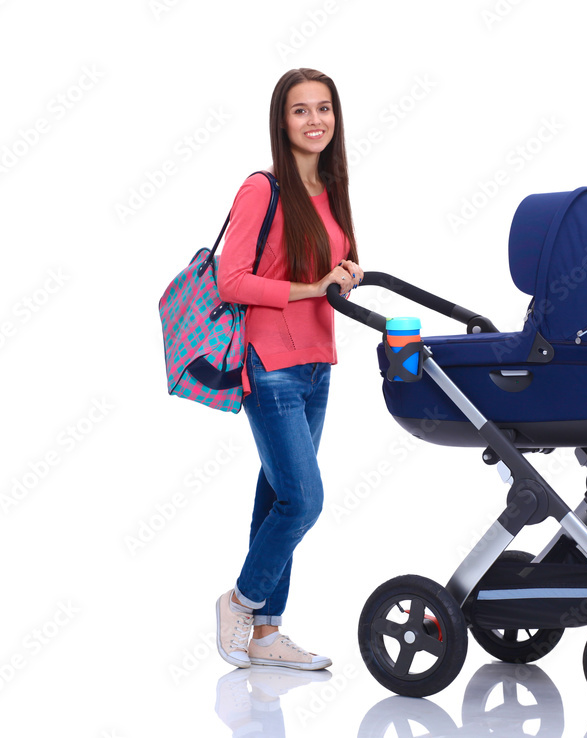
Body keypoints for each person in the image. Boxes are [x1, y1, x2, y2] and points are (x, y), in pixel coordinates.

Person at [214, 68, 362, 670]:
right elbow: (232, 281)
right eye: (301, 111)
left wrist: (345, 276)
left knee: (277, 498)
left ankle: (267, 635)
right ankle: (240, 602)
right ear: (282, 121)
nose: (315, 121)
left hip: (316, 364)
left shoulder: (331, 188)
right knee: (303, 501)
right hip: (270, 363)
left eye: (324, 108)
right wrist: (312, 287)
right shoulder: (262, 187)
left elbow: (332, 271)